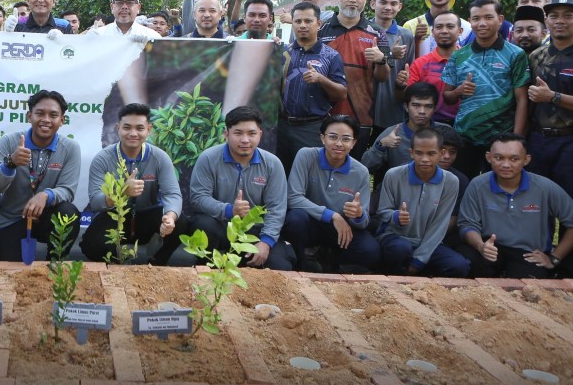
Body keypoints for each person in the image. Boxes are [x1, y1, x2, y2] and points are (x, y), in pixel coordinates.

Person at [525, 0, 573, 278]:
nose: (560, 21)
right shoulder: (536, 56)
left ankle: (569, 272)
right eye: (554, 16)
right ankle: (536, 263)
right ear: (546, 21)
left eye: (568, 15)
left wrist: (552, 96)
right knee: (536, 205)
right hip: (538, 139)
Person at [457, 134, 573, 279]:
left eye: (514, 159)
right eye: (499, 158)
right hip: (491, 247)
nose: (506, 165)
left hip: (527, 254)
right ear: (489, 157)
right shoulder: (478, 184)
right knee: (465, 261)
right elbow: (467, 224)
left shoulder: (544, 187)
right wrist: (480, 246)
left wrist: (554, 258)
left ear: (526, 160)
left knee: (527, 288)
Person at [181, 106, 295, 270]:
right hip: (221, 226)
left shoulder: (272, 164)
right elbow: (198, 199)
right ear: (226, 134)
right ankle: (205, 272)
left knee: (281, 267)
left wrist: (266, 241)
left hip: (255, 232)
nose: (245, 140)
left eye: (251, 133)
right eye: (238, 133)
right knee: (203, 224)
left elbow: (276, 208)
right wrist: (229, 210)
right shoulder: (208, 158)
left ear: (260, 135)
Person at [79, 103, 183, 264]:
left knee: (181, 222)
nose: (133, 133)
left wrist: (170, 217)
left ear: (149, 129)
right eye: (127, 127)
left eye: (139, 128)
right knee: (92, 245)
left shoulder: (159, 157)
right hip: (115, 215)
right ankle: (116, 265)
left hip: (147, 216)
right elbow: (95, 202)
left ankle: (156, 263)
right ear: (117, 128)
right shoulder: (103, 158)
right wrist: (122, 192)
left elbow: (173, 194)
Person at [0, 90, 81, 261]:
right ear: (29, 116)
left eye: (53, 115)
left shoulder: (70, 148)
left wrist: (46, 195)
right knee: (10, 268)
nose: (46, 120)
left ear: (62, 120)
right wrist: (11, 163)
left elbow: (68, 190)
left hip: (46, 217)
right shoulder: (9, 142)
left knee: (69, 212)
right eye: (39, 113)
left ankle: (55, 264)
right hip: (12, 219)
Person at [442, 0, 530, 175]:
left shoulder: (515, 54)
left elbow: (522, 100)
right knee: (463, 187)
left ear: (500, 20)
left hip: (501, 138)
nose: (481, 23)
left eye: (488, 17)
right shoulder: (458, 55)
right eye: (475, 18)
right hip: (465, 136)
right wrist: (459, 91)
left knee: (500, 190)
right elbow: (446, 97)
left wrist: (516, 139)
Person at [284, 114, 380, 272]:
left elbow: (363, 222)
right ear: (322, 138)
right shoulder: (306, 156)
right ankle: (301, 262)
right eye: (333, 137)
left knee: (370, 251)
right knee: (295, 219)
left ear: (354, 142)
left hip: (340, 229)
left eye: (346, 139)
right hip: (311, 221)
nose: (339, 144)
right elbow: (293, 197)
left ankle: (331, 262)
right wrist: (332, 215)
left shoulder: (361, 172)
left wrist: (358, 214)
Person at [375, 127, 469, 277]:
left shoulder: (451, 181)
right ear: (411, 153)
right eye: (419, 153)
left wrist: (419, 260)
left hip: (429, 242)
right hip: (395, 236)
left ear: (440, 153)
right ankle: (387, 276)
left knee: (459, 265)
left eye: (431, 153)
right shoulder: (394, 175)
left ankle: (424, 279)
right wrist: (395, 216)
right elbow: (382, 211)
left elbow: (440, 224)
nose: (425, 159)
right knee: (400, 249)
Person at [318, 0, 387, 159]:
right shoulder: (320, 30)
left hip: (361, 114)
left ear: (366, 0)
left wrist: (381, 60)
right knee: (321, 165)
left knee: (353, 166)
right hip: (323, 113)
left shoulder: (377, 33)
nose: (353, 0)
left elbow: (383, 77)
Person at [278, 1, 346, 170]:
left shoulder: (330, 56)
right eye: (298, 21)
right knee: (279, 176)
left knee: (308, 176)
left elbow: (342, 93)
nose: (302, 25)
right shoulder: (282, 52)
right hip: (281, 126)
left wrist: (321, 79)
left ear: (319, 24)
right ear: (292, 23)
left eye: (308, 21)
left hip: (312, 128)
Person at [361, 82, 440, 178]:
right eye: (416, 105)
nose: (422, 111)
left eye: (428, 106)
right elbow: (364, 166)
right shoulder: (392, 133)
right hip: (397, 189)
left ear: (434, 108)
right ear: (406, 107)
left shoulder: (444, 132)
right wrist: (381, 145)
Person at [368, 0, 414, 132]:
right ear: (373, 4)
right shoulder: (363, 30)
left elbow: (409, 71)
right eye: (383, 2)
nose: (388, 7)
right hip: (365, 103)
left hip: (392, 106)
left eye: (393, 3)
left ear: (399, 7)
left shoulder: (406, 35)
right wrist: (390, 54)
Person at [405, 11, 462, 125]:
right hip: (428, 125)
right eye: (439, 27)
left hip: (464, 125)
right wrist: (400, 85)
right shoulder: (420, 64)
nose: (444, 31)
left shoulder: (471, 61)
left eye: (450, 26)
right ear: (433, 32)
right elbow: (409, 97)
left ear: (460, 31)